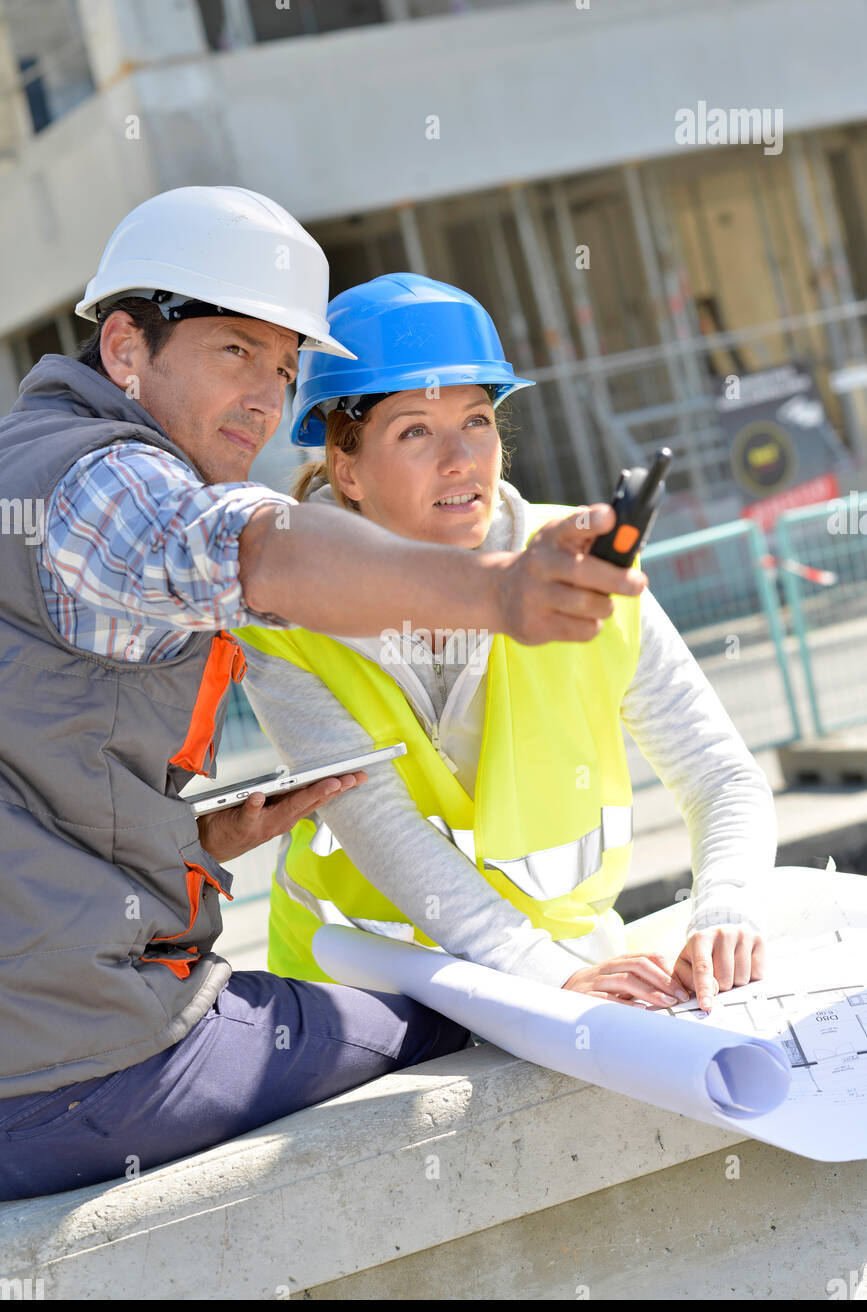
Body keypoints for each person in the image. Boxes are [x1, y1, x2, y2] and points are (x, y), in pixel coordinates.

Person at [0, 189, 645, 1201]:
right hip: (75, 1075)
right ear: (126, 347)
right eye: (235, 353)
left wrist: (193, 840)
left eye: (286, 367)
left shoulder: (19, 471)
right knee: (468, 1028)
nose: (267, 399)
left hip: (31, 1046)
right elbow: (251, 546)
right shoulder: (102, 482)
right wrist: (495, 590)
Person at [235, 273, 779, 1013]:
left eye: (478, 420)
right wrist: (545, 975)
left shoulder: (586, 569)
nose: (461, 458)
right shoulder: (282, 619)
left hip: (559, 986)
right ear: (347, 469)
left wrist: (726, 908)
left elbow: (718, 776)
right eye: (415, 431)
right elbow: (381, 827)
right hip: (359, 999)